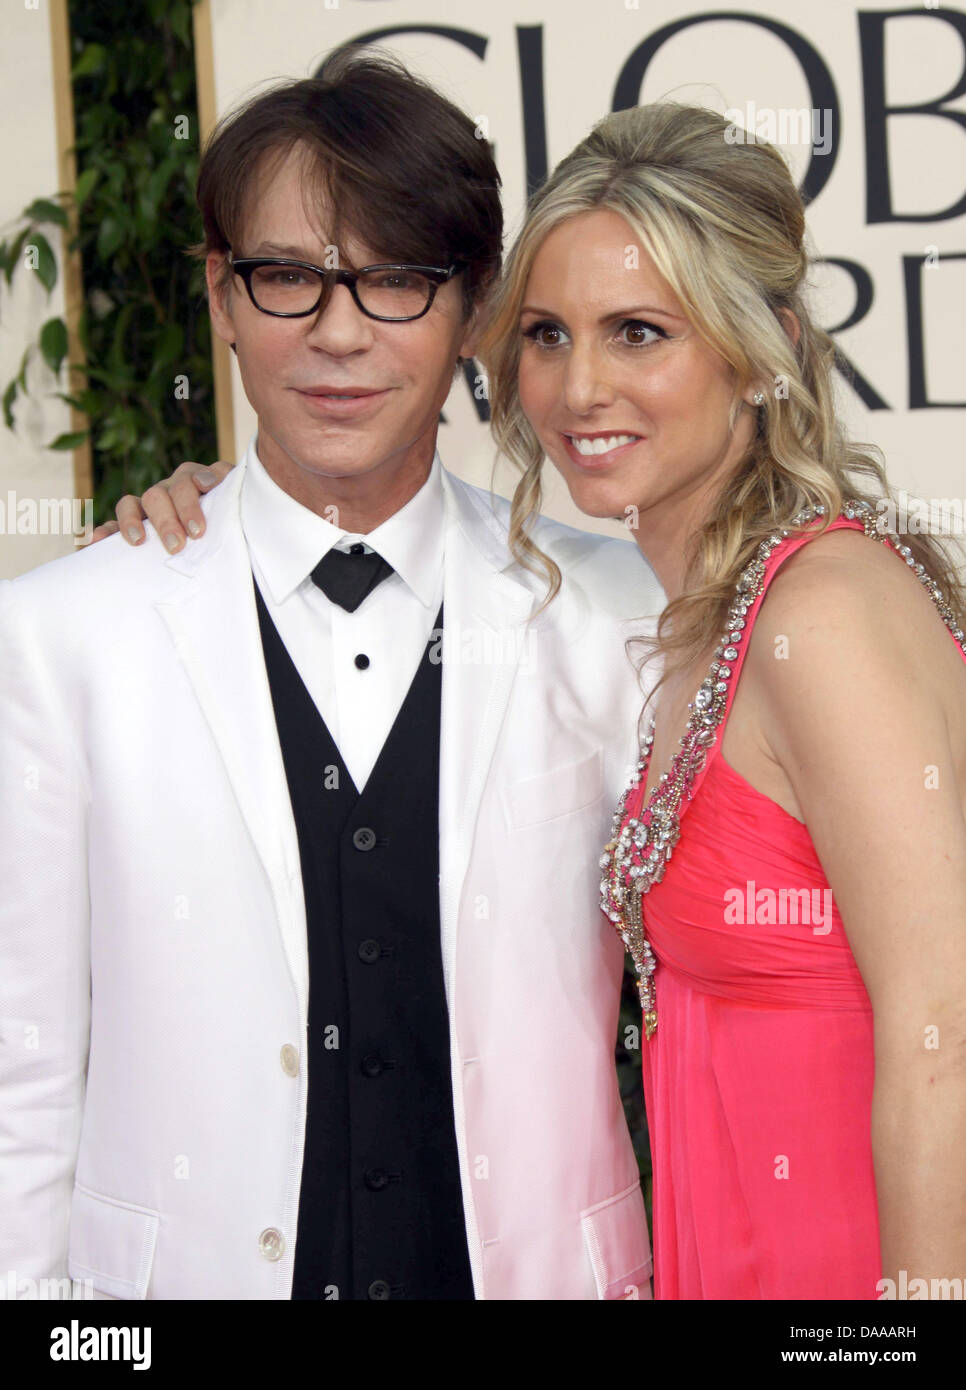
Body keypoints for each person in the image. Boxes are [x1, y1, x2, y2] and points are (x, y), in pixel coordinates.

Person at [129, 100, 966, 1300]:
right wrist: (238, 524)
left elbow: (946, 1035)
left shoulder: (821, 612)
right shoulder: (672, 615)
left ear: (764, 350)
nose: (580, 388)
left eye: (639, 332)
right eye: (546, 335)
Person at [0, 49, 659, 1302]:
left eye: (397, 279)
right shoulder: (62, 635)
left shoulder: (619, 613)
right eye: (289, 276)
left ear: (474, 308)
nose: (340, 333)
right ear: (221, 294)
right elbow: (18, 1075)